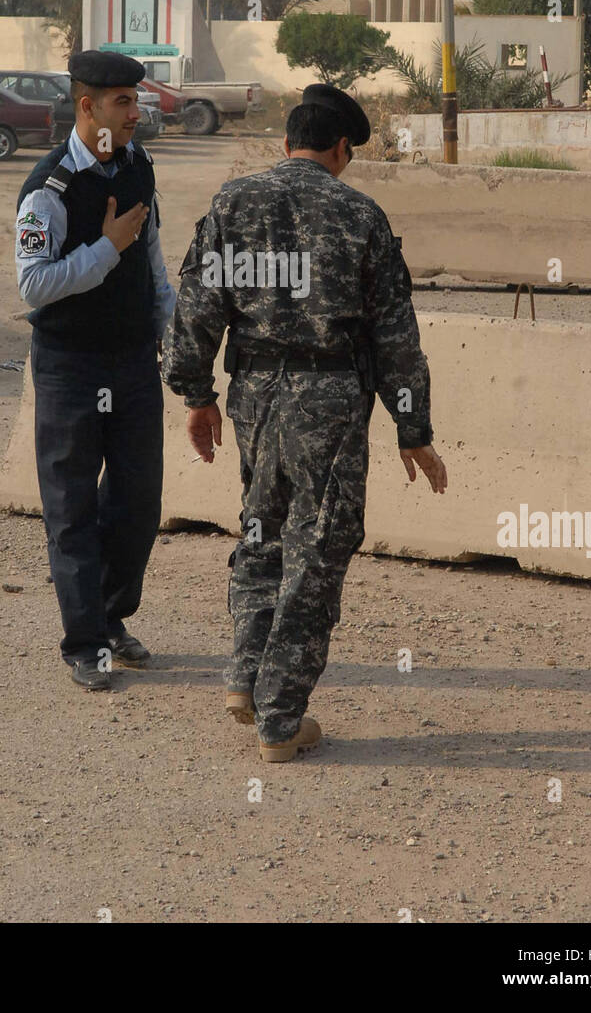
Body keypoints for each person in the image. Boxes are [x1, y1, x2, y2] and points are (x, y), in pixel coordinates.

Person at [162, 84, 447, 762]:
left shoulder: (231, 202)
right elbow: (394, 335)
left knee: (261, 529)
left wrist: (194, 394)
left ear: (287, 141)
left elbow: (196, 307)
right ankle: (280, 717)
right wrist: (413, 427)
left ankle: (243, 673)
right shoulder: (360, 215)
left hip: (254, 394)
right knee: (316, 550)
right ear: (341, 148)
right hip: (329, 400)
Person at [15, 50, 176, 691]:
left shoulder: (138, 166)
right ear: (88, 107)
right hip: (70, 369)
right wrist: (105, 249)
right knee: (72, 509)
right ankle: (85, 642)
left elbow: (155, 258)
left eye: (136, 101)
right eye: (123, 103)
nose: (136, 114)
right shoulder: (49, 188)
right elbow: (33, 284)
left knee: (137, 503)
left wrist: (167, 329)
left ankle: (111, 618)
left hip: (134, 364)